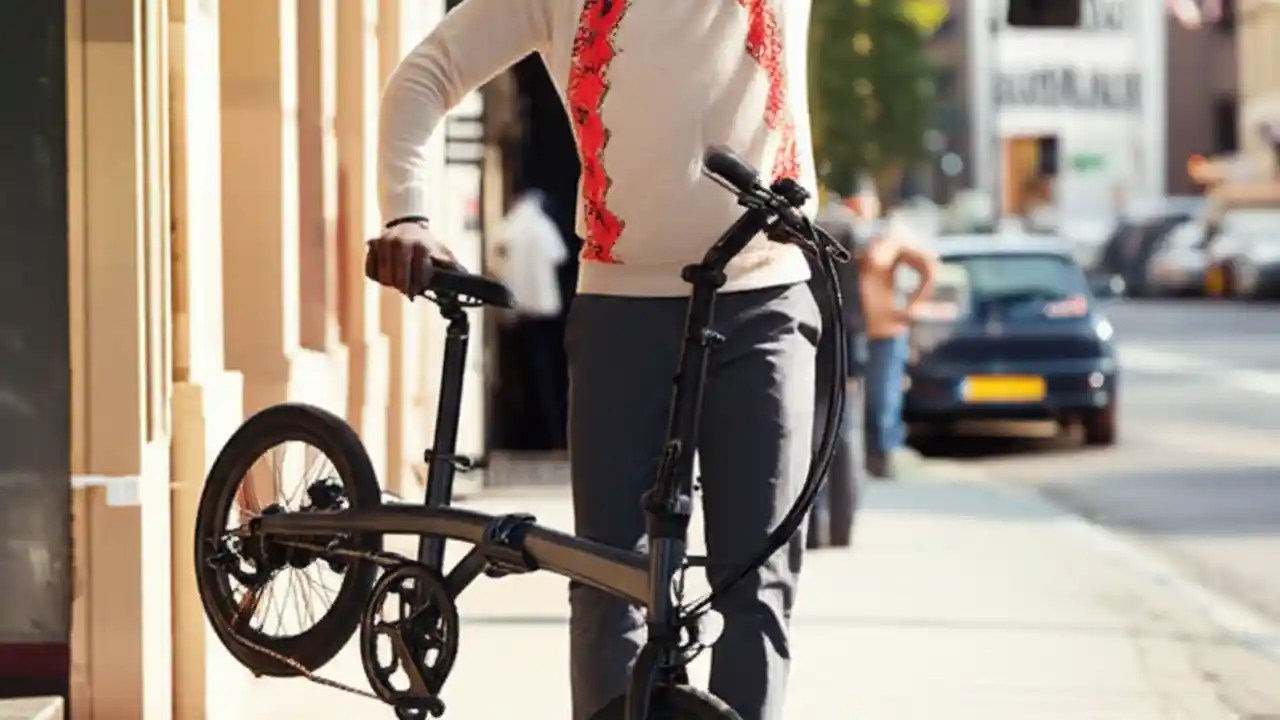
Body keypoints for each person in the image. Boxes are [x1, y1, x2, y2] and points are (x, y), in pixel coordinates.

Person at [366, 3, 819, 719]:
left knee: (756, 584)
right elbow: (425, 75)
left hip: (763, 293)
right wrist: (407, 213)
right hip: (621, 305)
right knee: (609, 579)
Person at [853, 198, 937, 479]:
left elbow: (928, 266)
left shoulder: (889, 240)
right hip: (854, 331)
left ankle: (884, 457)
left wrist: (911, 306)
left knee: (882, 401)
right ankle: (864, 460)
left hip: (886, 332)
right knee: (857, 404)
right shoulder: (848, 239)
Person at [805, 193, 866, 549]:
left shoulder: (792, 226)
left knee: (809, 441)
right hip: (840, 341)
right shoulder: (843, 228)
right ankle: (842, 529)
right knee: (841, 441)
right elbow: (853, 297)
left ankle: (812, 531)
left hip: (803, 338)